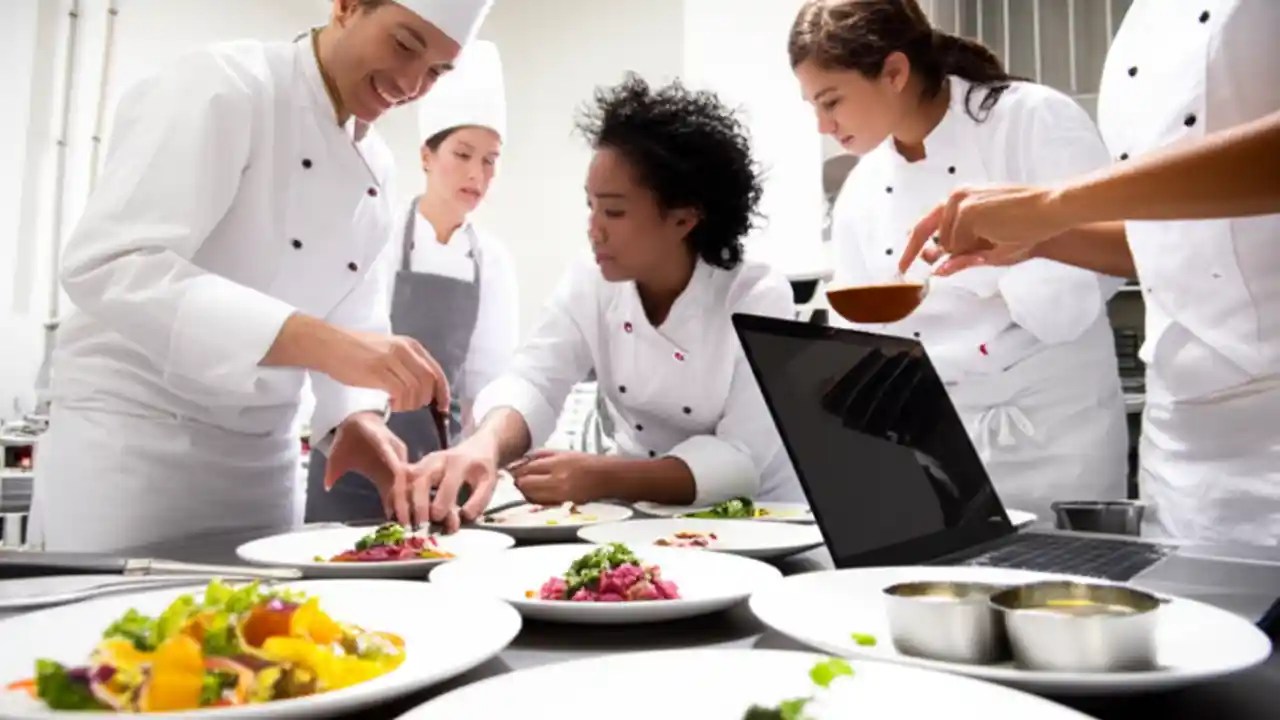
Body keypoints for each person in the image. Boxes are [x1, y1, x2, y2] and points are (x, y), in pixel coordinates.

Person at [28, 0, 495, 552]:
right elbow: (109, 264)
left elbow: (353, 317)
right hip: (134, 458)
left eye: (438, 71)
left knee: (267, 633)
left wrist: (353, 420)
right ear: (346, 6)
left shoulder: (377, 166)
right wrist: (322, 345)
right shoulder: (223, 87)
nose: (413, 83)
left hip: (262, 469)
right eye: (405, 45)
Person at [905, 1, 1280, 545]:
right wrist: (1044, 239)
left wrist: (1056, 204)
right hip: (1181, 432)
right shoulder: (1141, 25)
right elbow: (1176, 243)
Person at [410, 74, 804, 531]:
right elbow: (536, 378)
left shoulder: (757, 295)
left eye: (614, 211)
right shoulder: (591, 279)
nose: (594, 229)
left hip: (758, 525)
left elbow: (740, 460)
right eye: (590, 206)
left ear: (683, 218)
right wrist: (484, 446)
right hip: (640, 522)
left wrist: (602, 475)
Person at [786, 0, 1129, 523]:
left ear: (895, 72)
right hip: (937, 448)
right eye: (812, 106)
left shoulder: (1031, 119)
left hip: (1056, 437)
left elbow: (1069, 305)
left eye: (831, 101)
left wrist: (990, 256)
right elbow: (860, 333)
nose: (822, 125)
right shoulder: (861, 186)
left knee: (1064, 592)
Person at [307, 40, 519, 522]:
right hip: (351, 460)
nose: (477, 174)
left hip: (438, 476)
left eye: (490, 160)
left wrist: (482, 457)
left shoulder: (493, 263)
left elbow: (488, 382)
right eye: (463, 154)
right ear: (426, 155)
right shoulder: (374, 235)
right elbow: (334, 351)